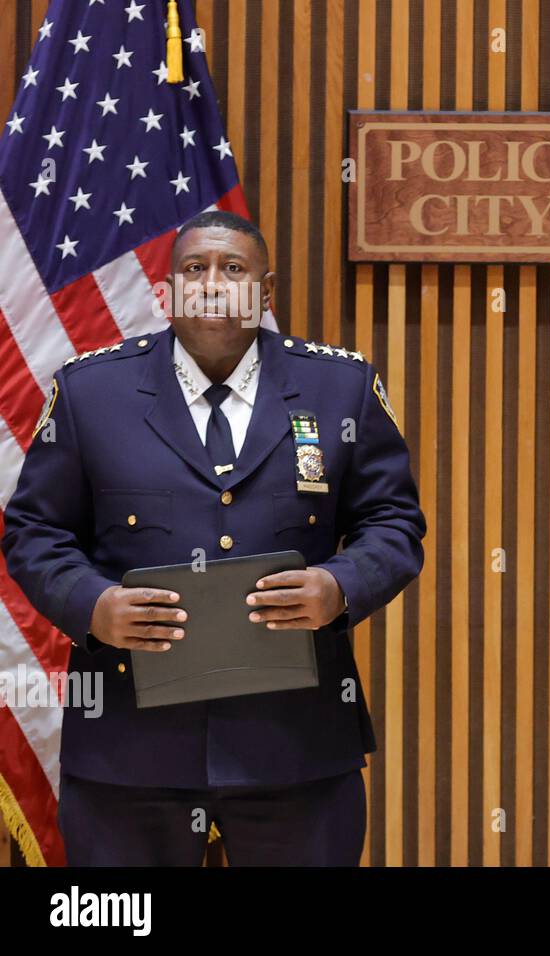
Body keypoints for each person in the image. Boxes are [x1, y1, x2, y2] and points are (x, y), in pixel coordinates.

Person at [2, 210, 426, 866]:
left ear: (268, 291)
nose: (212, 282)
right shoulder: (93, 394)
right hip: (130, 751)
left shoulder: (339, 389)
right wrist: (93, 606)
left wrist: (339, 586)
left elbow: (394, 523)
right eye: (194, 269)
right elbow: (34, 530)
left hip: (296, 747)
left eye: (233, 268)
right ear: (166, 292)